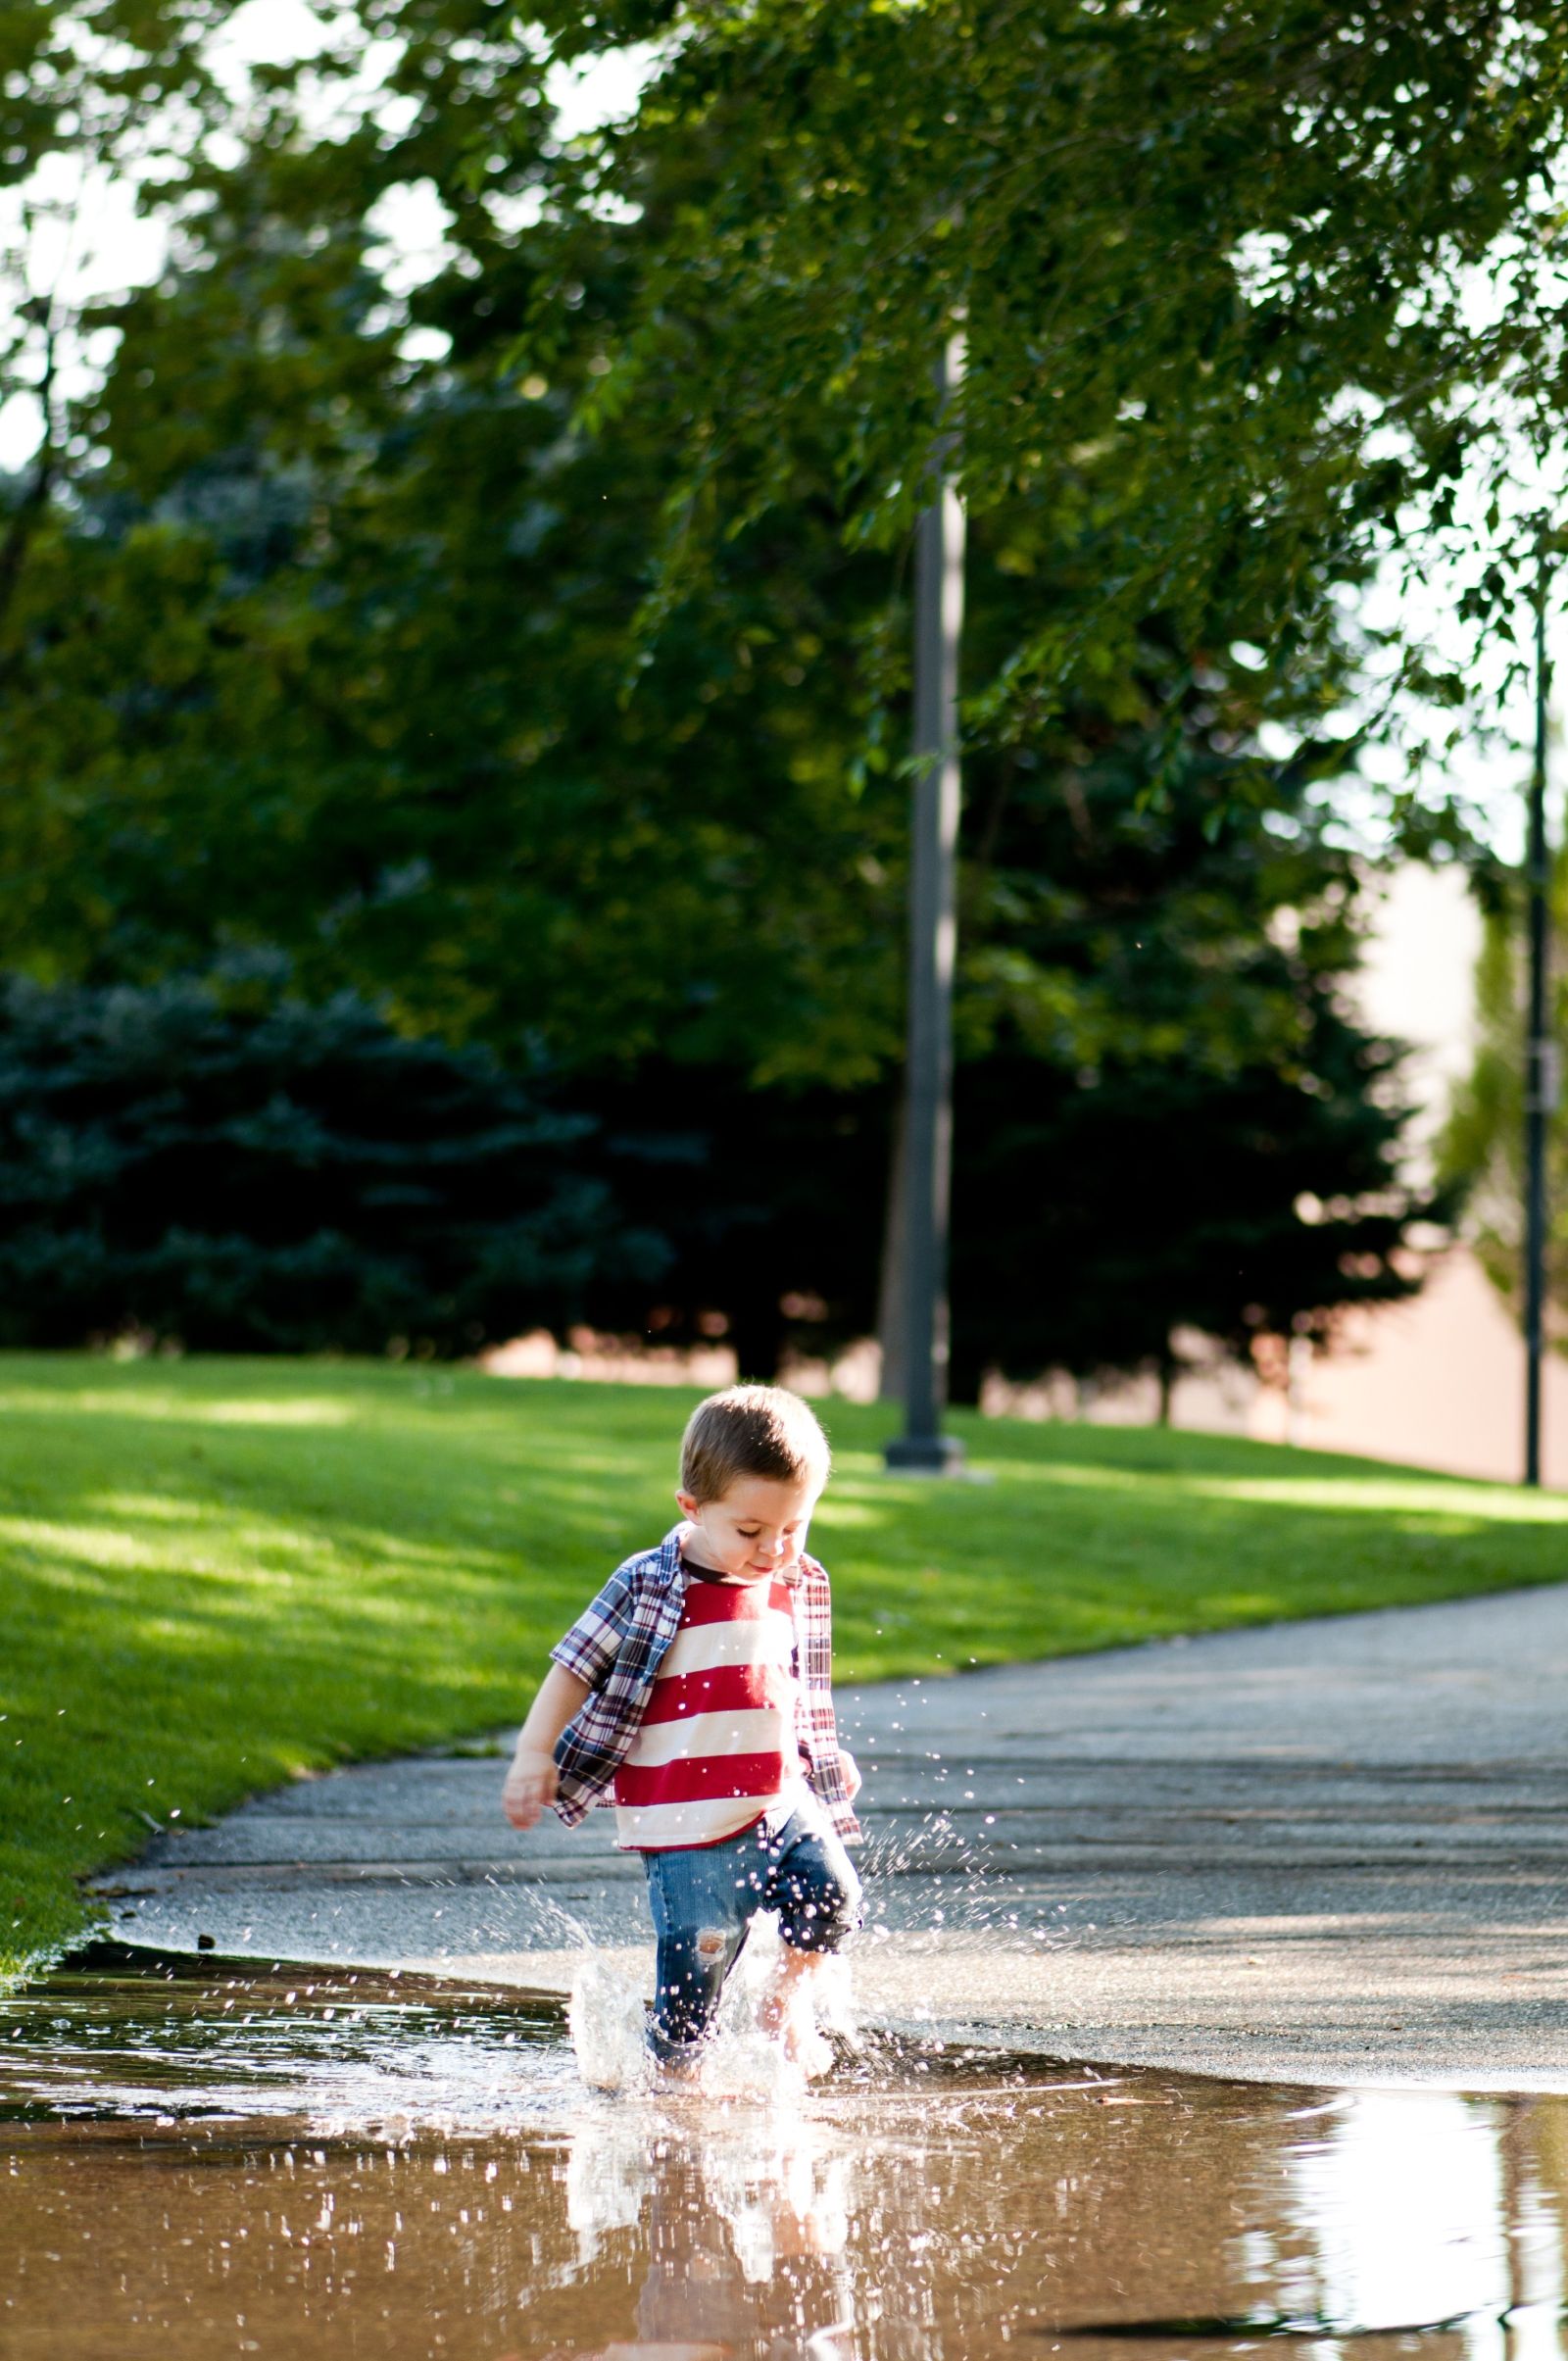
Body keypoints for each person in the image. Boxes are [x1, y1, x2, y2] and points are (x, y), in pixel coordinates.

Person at [502, 1383, 862, 2075]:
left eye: (794, 1527)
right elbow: (574, 1666)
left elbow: (781, 1686)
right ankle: (673, 2081)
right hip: (686, 1824)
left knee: (835, 1897)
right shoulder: (647, 1584)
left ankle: (783, 2000)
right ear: (691, 1509)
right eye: (751, 1531)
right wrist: (532, 1751)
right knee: (697, 1966)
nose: (773, 1548)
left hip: (780, 1803)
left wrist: (823, 1754)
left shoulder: (793, 1580)